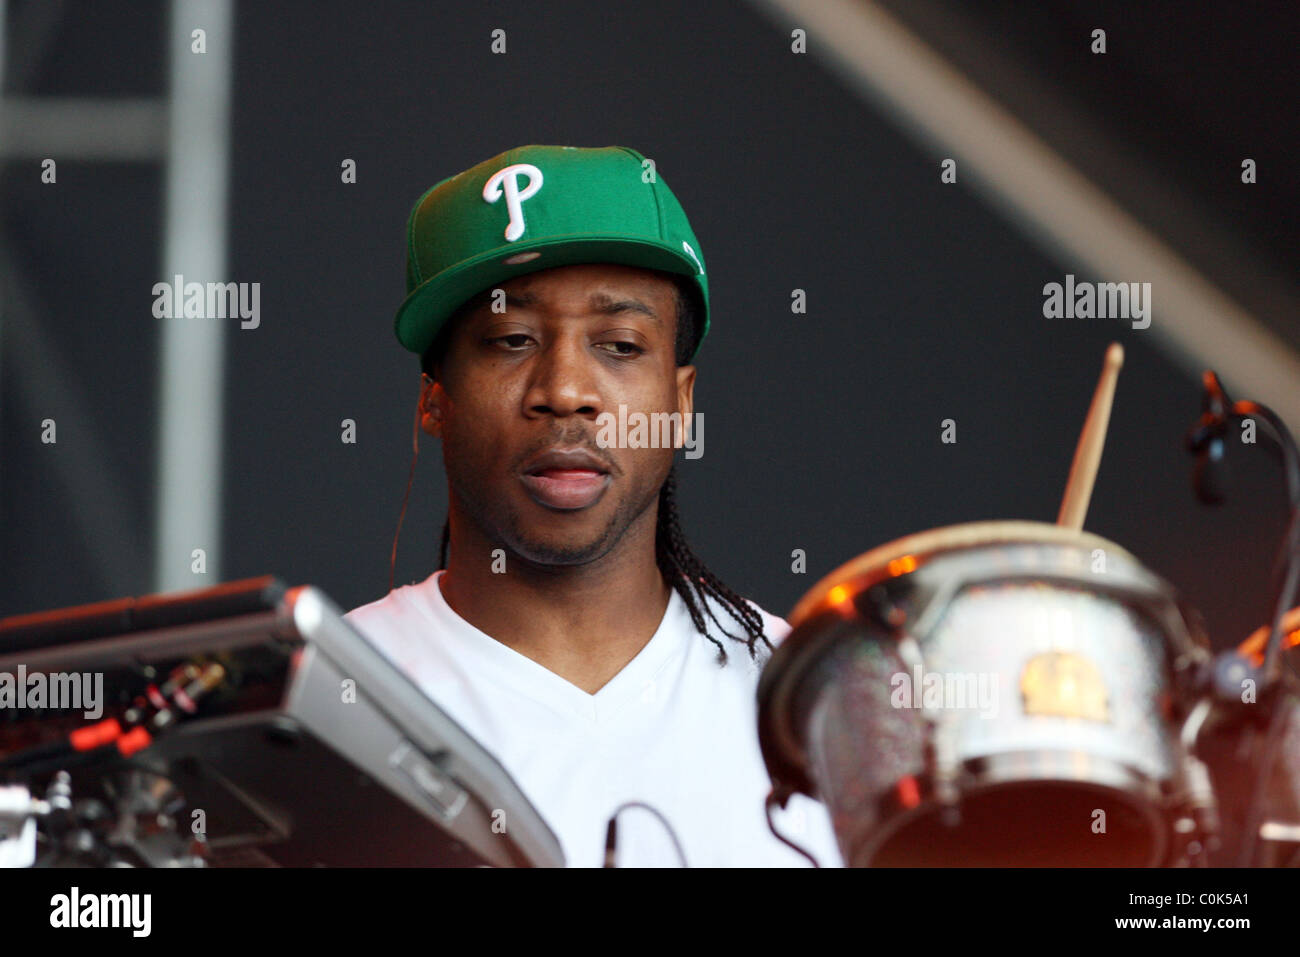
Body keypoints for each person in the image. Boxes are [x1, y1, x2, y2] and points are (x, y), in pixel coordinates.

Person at [345, 144, 842, 867]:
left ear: (681, 402)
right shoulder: (326, 705)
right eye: (511, 339)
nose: (566, 388)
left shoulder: (814, 712)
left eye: (618, 344)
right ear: (433, 396)